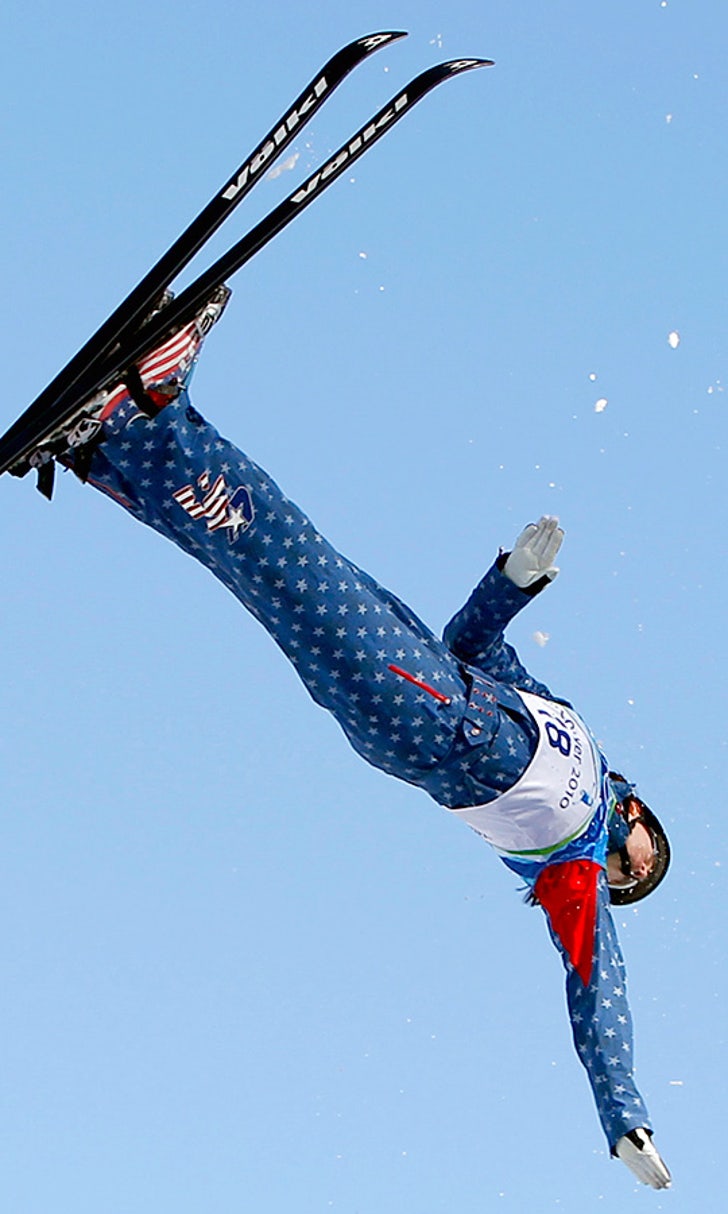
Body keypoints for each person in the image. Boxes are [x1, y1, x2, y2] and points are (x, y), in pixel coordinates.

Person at [60, 290, 671, 1188]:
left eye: (631, 882)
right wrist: (512, 583)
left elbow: (598, 995)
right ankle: (112, 450)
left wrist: (624, 1112)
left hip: (424, 721)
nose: (628, 865)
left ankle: (152, 409)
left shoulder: (571, 872)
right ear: (641, 809)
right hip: (434, 665)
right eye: (642, 852)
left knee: (282, 555)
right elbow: (480, 649)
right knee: (268, 561)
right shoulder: (580, 739)